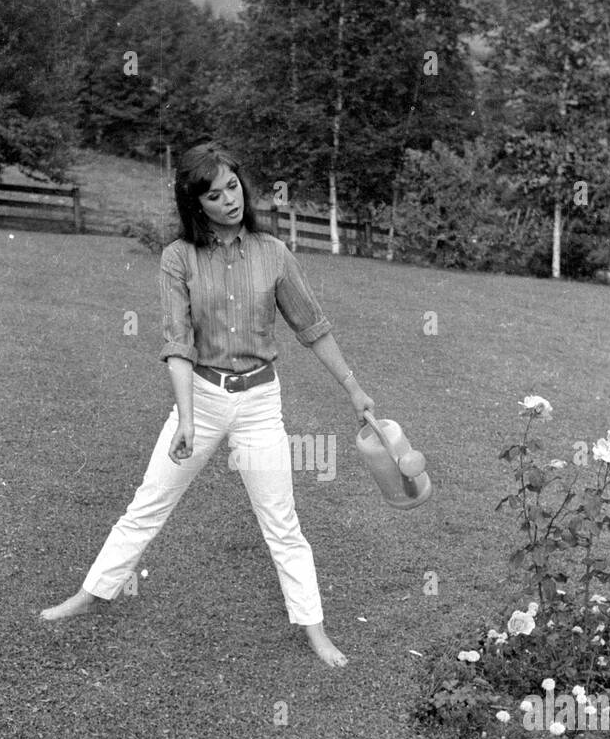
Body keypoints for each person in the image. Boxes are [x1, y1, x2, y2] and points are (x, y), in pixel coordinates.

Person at [40, 137, 375, 667]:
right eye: (214, 195)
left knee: (282, 522)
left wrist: (354, 389)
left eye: (233, 187)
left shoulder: (273, 253)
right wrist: (187, 421)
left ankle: (315, 629)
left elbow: (312, 327)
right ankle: (90, 594)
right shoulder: (178, 258)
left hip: (261, 402)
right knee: (149, 503)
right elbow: (178, 344)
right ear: (195, 203)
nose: (229, 200)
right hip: (202, 395)